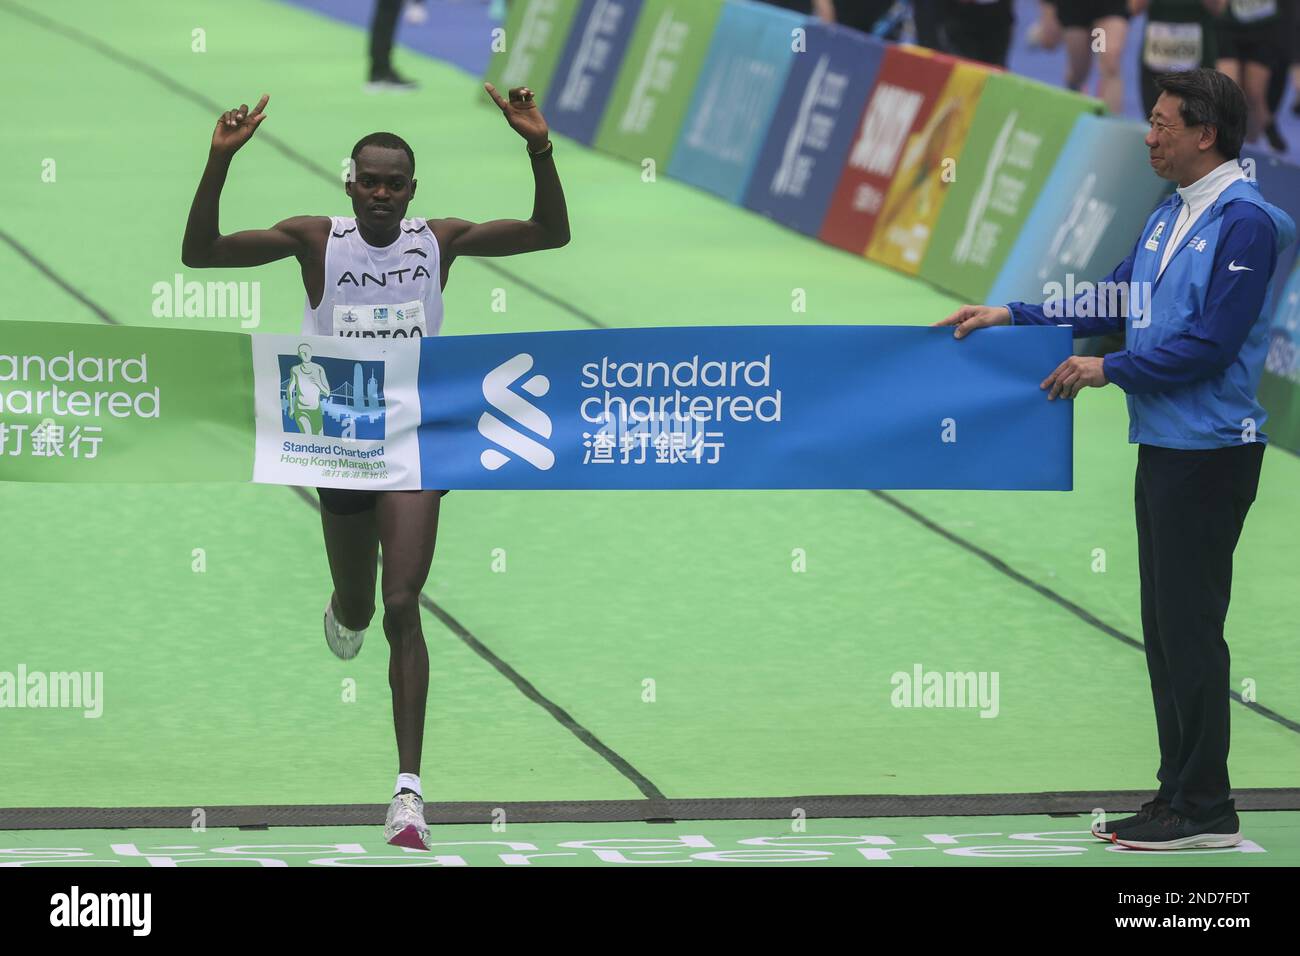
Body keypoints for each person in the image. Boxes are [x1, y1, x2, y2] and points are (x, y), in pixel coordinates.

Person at [180, 84, 570, 850]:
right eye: (370, 181)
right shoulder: (317, 240)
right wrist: (218, 161)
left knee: (402, 600)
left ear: (411, 191)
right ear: (349, 184)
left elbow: (548, 234)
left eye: (396, 183)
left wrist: (539, 145)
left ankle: (408, 795)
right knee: (359, 606)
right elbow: (200, 254)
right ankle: (343, 611)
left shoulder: (440, 240)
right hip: (338, 440)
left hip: (417, 441)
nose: (382, 194)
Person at [934, 69, 1294, 850]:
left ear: (1206, 134)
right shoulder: (1170, 213)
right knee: (1164, 629)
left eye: (1164, 123)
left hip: (1211, 453)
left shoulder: (1249, 224)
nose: (1149, 134)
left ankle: (1207, 807)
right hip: (1163, 446)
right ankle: (1176, 795)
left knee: (1192, 628)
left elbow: (1213, 343)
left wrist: (1109, 369)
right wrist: (1015, 316)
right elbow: (1115, 298)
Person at [1131, 0, 1226, 115]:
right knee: (1154, 117)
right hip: (1156, 62)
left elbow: (1219, 9)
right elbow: (1134, 8)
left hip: (1198, 61)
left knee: (1198, 118)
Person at [1216, 0, 1285, 144]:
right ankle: (1227, 146)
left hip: (1263, 26)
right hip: (1226, 25)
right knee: (1229, 90)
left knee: (1254, 95)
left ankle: (1251, 147)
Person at [1054, 0, 1130, 112]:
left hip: (1109, 6)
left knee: (1110, 61)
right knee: (1079, 71)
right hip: (1074, 6)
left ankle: (1110, 123)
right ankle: (1073, 99)